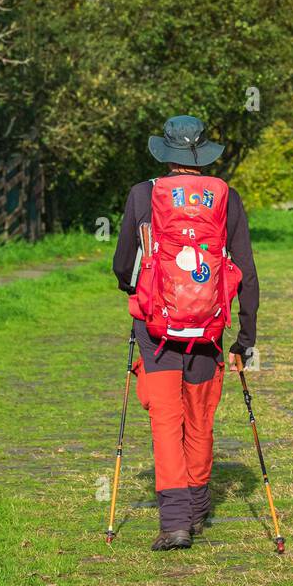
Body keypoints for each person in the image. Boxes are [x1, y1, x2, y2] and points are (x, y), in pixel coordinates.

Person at [112, 115, 258, 551]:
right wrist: (245, 337)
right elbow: (246, 272)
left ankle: (175, 522)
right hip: (208, 327)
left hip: (156, 328)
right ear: (201, 155)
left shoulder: (143, 194)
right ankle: (195, 509)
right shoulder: (226, 198)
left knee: (165, 422)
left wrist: (131, 286)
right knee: (200, 417)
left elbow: (123, 262)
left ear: (167, 154)